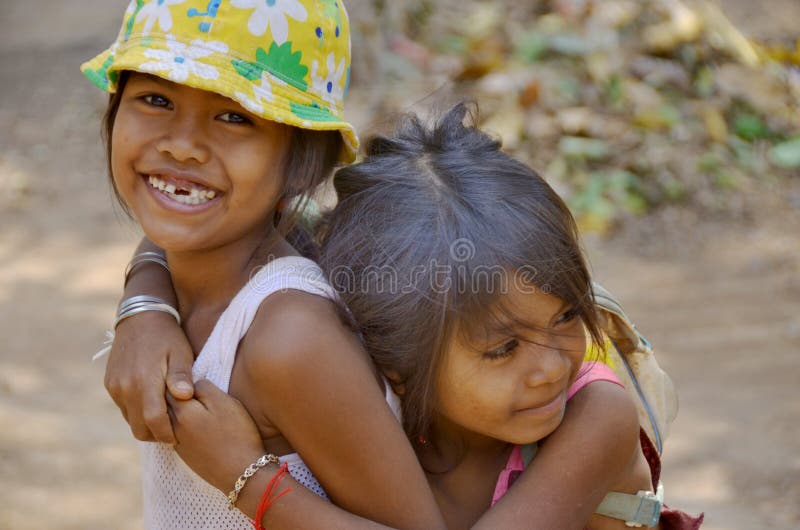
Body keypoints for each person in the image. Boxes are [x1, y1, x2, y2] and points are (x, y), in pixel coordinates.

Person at [108, 100, 701, 528]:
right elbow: (212, 217)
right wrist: (147, 303)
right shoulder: (378, 362)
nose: (552, 368)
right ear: (394, 356)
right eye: (502, 349)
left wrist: (250, 479)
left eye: (568, 316)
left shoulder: (596, 417)